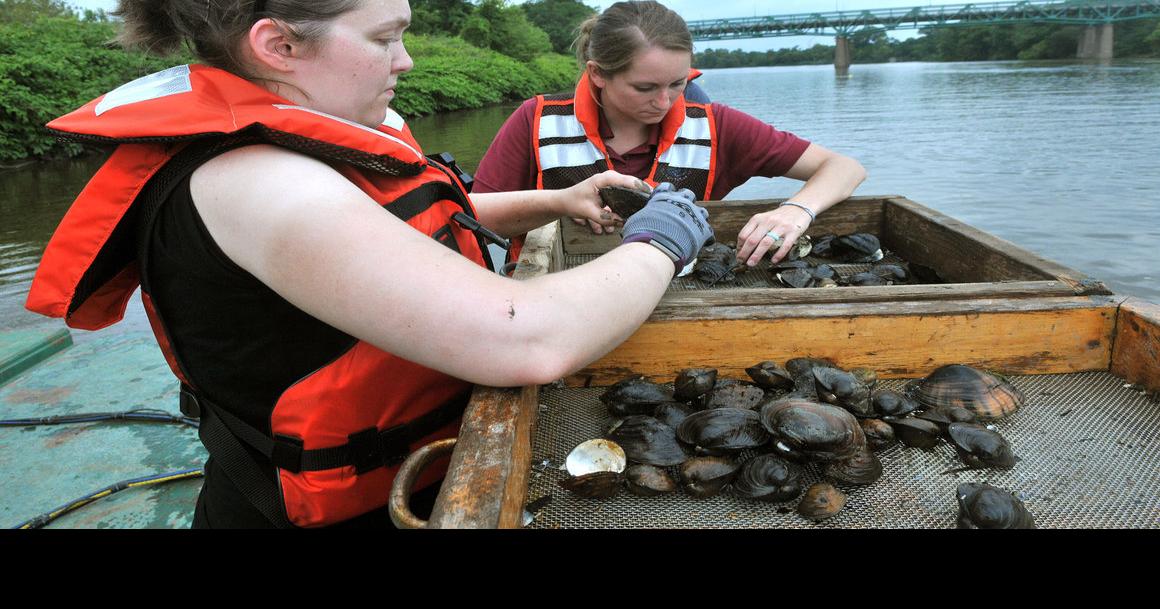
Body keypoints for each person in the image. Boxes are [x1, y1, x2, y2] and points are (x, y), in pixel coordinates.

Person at [24, 0, 713, 529]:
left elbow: (410, 225)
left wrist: (557, 197)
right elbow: (525, 338)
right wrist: (659, 242)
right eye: (385, 37)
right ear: (279, 44)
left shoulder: (311, 143)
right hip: (317, 512)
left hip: (412, 473)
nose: (406, 59)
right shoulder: (258, 183)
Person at [473, 0, 866, 268]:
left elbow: (844, 167)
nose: (664, 101)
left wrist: (796, 210)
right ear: (598, 74)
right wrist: (559, 203)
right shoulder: (537, 120)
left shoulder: (715, 125)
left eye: (678, 83)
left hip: (682, 294)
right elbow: (472, 215)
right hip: (559, 301)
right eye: (645, 88)